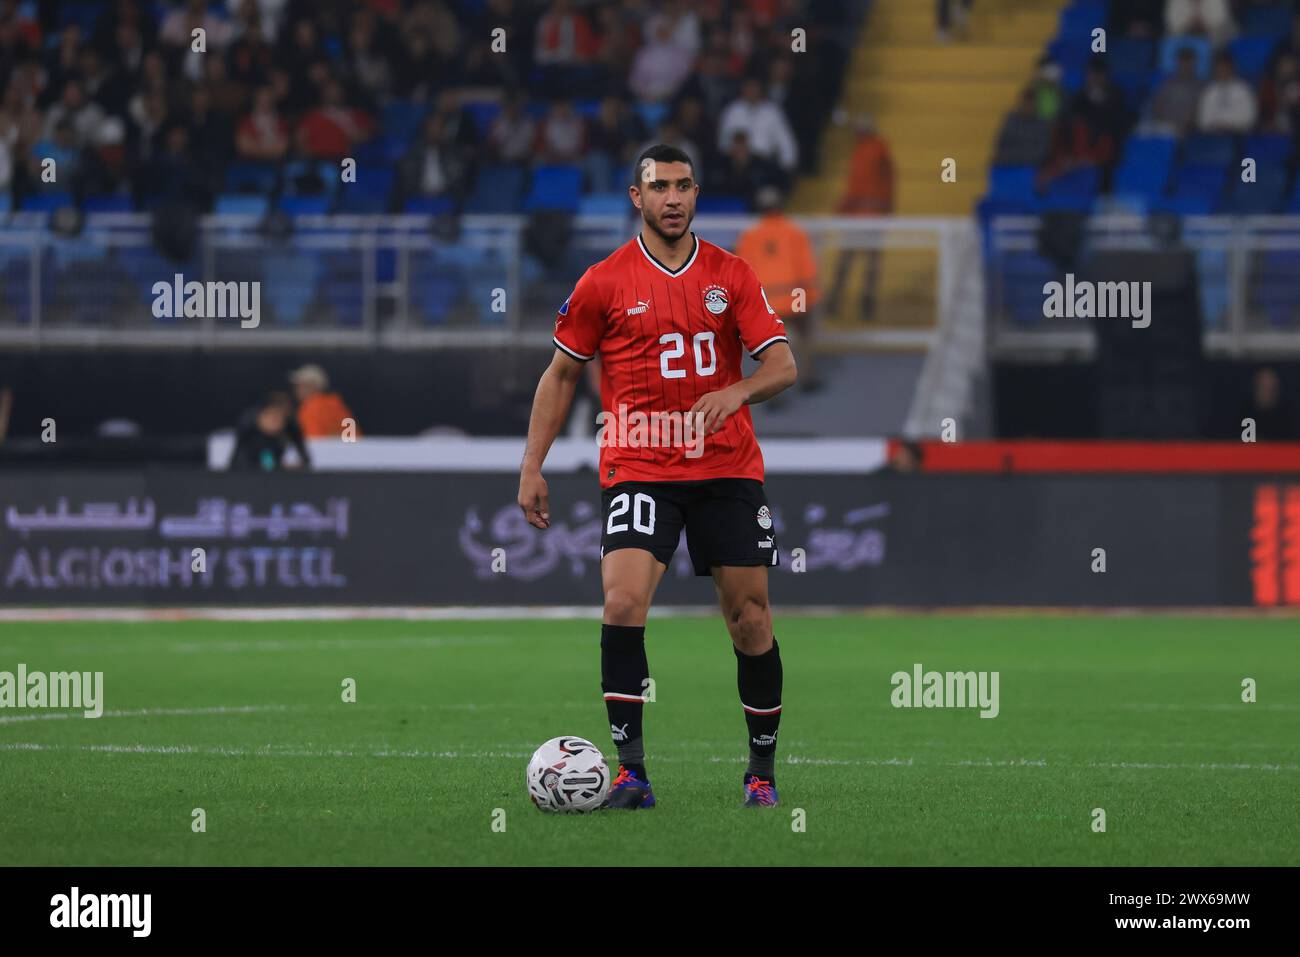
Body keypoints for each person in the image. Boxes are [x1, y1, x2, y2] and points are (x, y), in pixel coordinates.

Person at [517, 144, 798, 810]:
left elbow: (783, 365)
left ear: (696, 194)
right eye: (659, 187)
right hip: (639, 463)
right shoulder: (603, 281)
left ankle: (761, 772)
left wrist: (738, 392)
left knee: (751, 620)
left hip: (726, 466)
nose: (672, 198)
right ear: (636, 198)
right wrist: (533, 464)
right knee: (621, 604)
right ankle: (632, 773)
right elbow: (560, 375)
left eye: (683, 186)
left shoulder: (731, 273)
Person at [735, 185, 823, 391]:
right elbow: (806, 273)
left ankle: (773, 390)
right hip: (792, 295)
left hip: (764, 301)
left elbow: (741, 274)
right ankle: (807, 376)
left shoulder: (749, 236)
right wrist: (804, 305)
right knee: (805, 331)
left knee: (769, 345)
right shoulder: (795, 232)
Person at [290, 364, 359, 439]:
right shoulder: (337, 405)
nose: (297, 390)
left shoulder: (311, 407)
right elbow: (355, 437)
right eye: (297, 386)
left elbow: (314, 442)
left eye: (302, 385)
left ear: (314, 386)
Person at [1241, 367, 1296, 440]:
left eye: (1270, 386)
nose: (1267, 390)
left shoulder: (1287, 416)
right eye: (1263, 385)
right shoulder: (1246, 413)